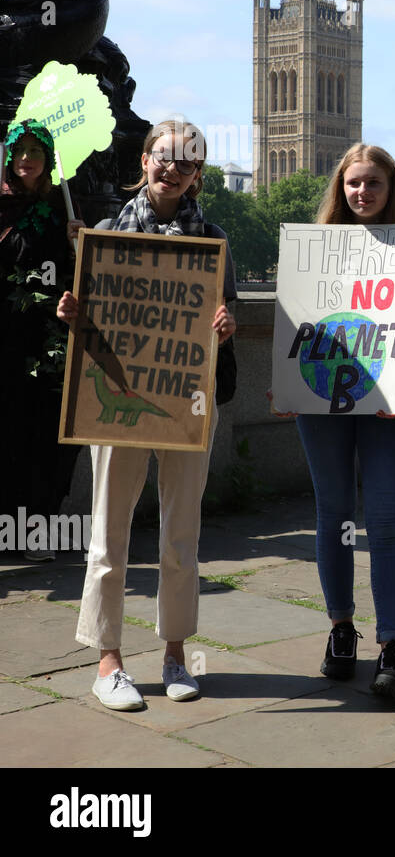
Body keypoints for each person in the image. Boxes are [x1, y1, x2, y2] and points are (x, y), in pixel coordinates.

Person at [56, 119, 236, 711]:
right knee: (110, 530)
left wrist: (226, 325)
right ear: (144, 160)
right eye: (165, 157)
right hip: (119, 401)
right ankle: (108, 660)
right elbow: (92, 324)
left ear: (198, 175)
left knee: (181, 534)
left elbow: (223, 315)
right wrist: (73, 310)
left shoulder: (213, 240)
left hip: (186, 402)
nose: (173, 169)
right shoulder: (105, 233)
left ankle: (176, 654)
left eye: (187, 163)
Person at [292, 144, 395, 702]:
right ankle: (341, 631)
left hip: (384, 406)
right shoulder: (313, 249)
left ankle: (393, 644)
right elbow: (296, 328)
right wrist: (289, 387)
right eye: (353, 183)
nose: (362, 192)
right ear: (340, 189)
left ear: (390, 187)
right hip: (322, 400)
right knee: (331, 516)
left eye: (373, 183)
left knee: (386, 520)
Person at [1, 121, 80, 562]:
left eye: (37, 150)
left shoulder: (62, 211)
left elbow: (76, 277)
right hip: (5, 340)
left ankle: (38, 529)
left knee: (44, 437)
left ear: (49, 160)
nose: (28, 157)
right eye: (21, 150)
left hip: (47, 342)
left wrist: (79, 242)